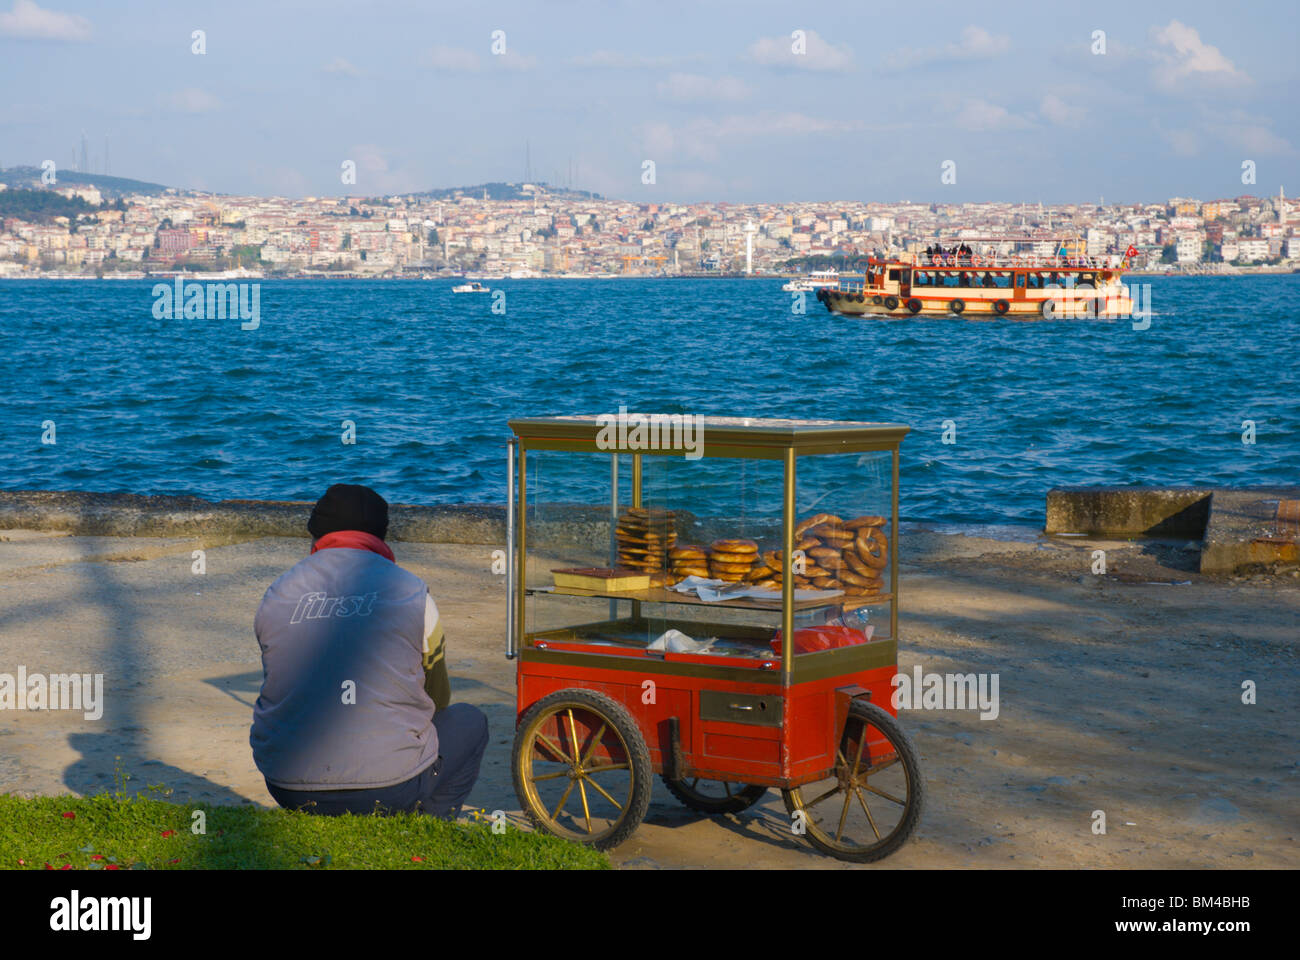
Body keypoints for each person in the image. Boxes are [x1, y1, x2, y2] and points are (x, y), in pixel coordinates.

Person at [250, 483, 488, 820]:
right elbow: (439, 697)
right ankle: (431, 825)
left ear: (315, 535)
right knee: (470, 721)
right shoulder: (412, 592)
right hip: (390, 787)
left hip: (287, 784)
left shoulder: (277, 593)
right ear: (381, 535)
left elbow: (280, 682)